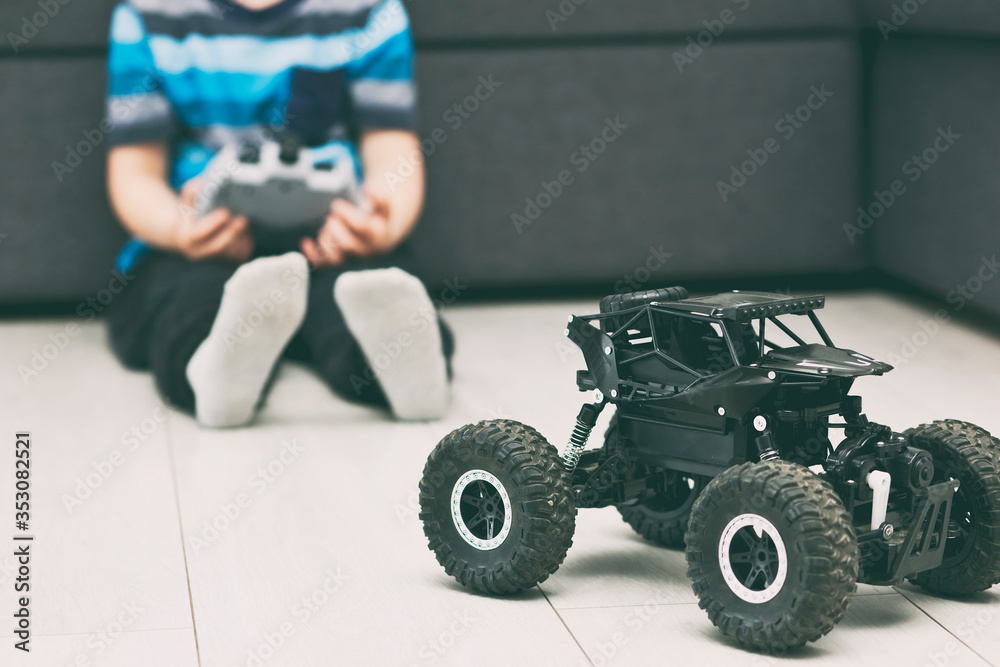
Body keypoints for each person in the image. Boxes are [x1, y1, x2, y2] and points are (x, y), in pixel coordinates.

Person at [104, 0, 452, 427]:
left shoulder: (369, 11)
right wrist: (177, 229)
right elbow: (135, 173)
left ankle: (402, 367)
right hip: (203, 241)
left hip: (330, 238)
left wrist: (380, 222)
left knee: (375, 290)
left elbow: (392, 149)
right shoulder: (149, 15)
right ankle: (210, 372)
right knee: (180, 301)